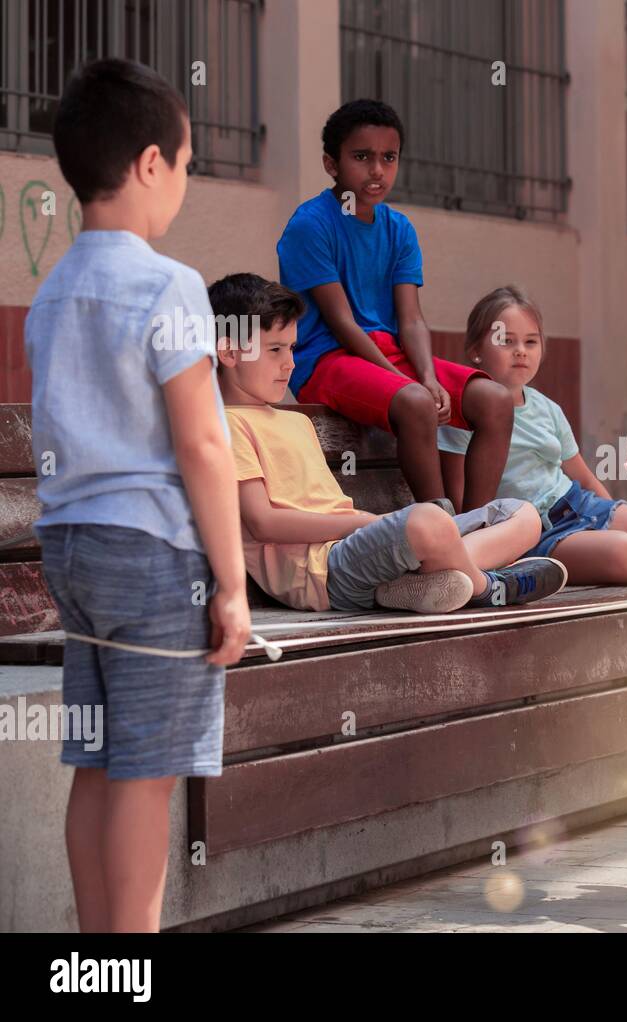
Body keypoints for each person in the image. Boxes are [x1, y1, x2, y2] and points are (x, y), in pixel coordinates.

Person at [28, 58, 250, 931]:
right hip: (156, 560)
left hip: (73, 552)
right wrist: (230, 587)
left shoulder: (53, 292)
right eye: (189, 167)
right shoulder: (169, 283)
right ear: (152, 163)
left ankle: (94, 965)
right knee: (147, 774)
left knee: (95, 760)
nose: (184, 187)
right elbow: (201, 441)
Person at [210, 273, 568, 614]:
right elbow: (263, 523)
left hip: (363, 546)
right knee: (429, 519)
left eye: (292, 348)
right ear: (229, 353)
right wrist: (363, 522)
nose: (289, 363)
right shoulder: (228, 423)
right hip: (322, 571)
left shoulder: (295, 421)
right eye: (275, 349)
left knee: (522, 515)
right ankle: (487, 587)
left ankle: (421, 583)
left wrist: (369, 525)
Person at [277, 99, 513, 512]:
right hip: (328, 360)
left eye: (389, 157)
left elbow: (412, 319)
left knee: (495, 400)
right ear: (331, 164)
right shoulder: (310, 224)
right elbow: (342, 322)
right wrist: (405, 383)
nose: (377, 170)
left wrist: (427, 375)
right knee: (417, 402)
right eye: (362, 157)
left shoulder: (399, 228)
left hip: (391, 356)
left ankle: (478, 525)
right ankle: (441, 527)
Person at [440, 286, 627, 585]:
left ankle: (600, 552)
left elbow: (585, 478)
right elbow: (461, 501)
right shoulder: (464, 412)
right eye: (506, 341)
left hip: (577, 504)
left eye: (531, 341)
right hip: (531, 530)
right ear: (476, 350)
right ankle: (545, 564)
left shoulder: (548, 409)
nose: (521, 351)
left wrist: (613, 515)